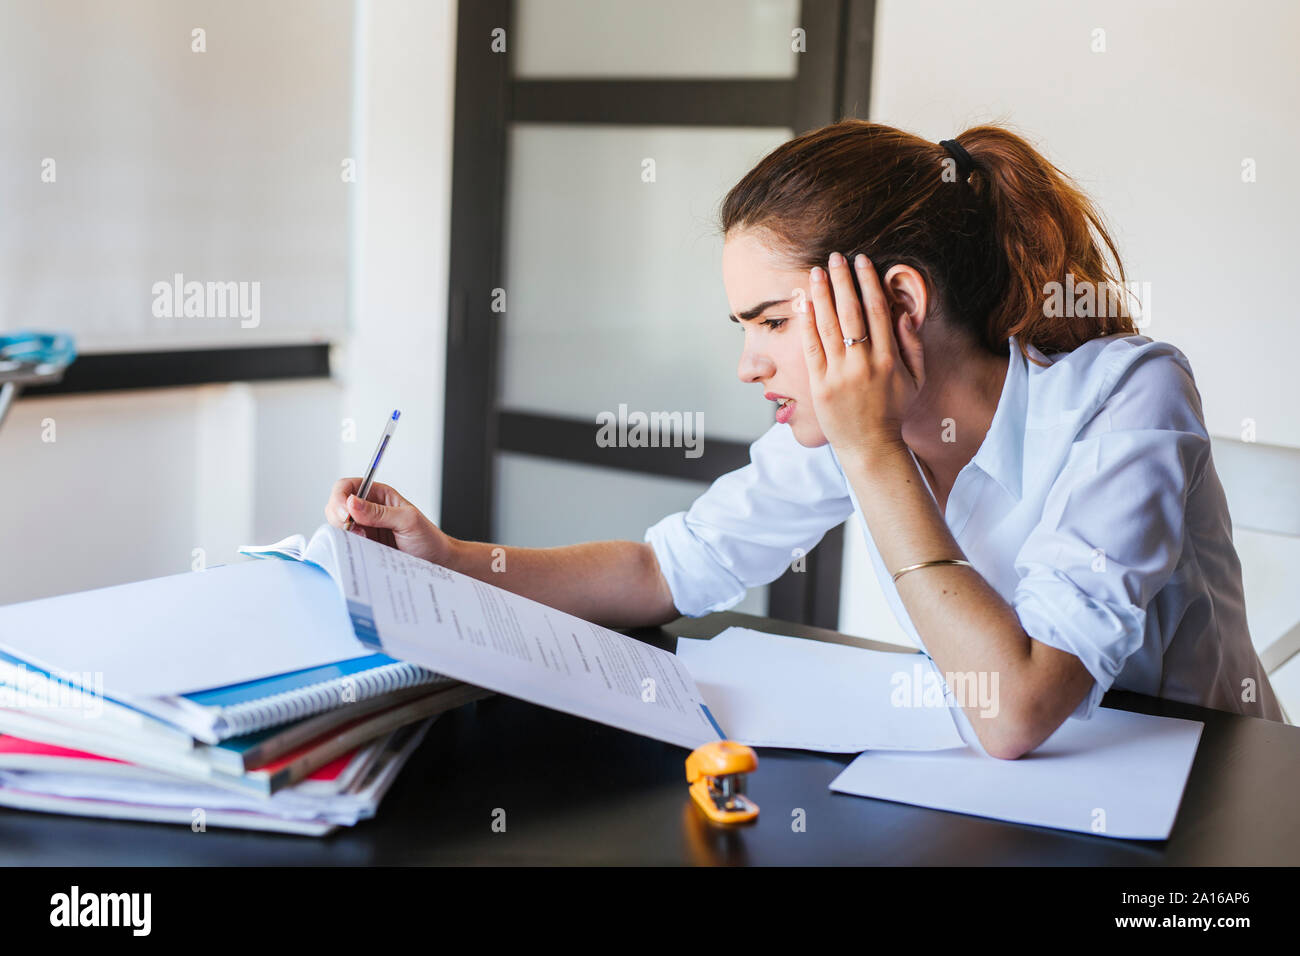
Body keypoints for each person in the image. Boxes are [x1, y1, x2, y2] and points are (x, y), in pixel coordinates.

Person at [325, 119, 1284, 759]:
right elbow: (667, 571)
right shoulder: (851, 421)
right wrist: (449, 557)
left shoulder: (1131, 396)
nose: (749, 366)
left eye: (773, 322)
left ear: (898, 301)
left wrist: (871, 450)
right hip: (1004, 799)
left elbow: (1018, 710)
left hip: (1205, 798)